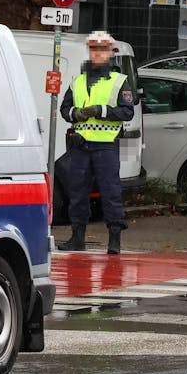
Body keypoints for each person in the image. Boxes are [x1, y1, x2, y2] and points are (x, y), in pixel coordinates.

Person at [57, 31, 134, 255]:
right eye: (94, 50)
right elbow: (64, 110)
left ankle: (114, 239)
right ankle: (77, 236)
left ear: (109, 53)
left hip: (106, 146)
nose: (98, 54)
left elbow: (127, 112)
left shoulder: (119, 81)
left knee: (110, 193)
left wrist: (100, 111)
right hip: (81, 146)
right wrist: (76, 113)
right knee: (77, 192)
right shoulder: (78, 81)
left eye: (102, 50)